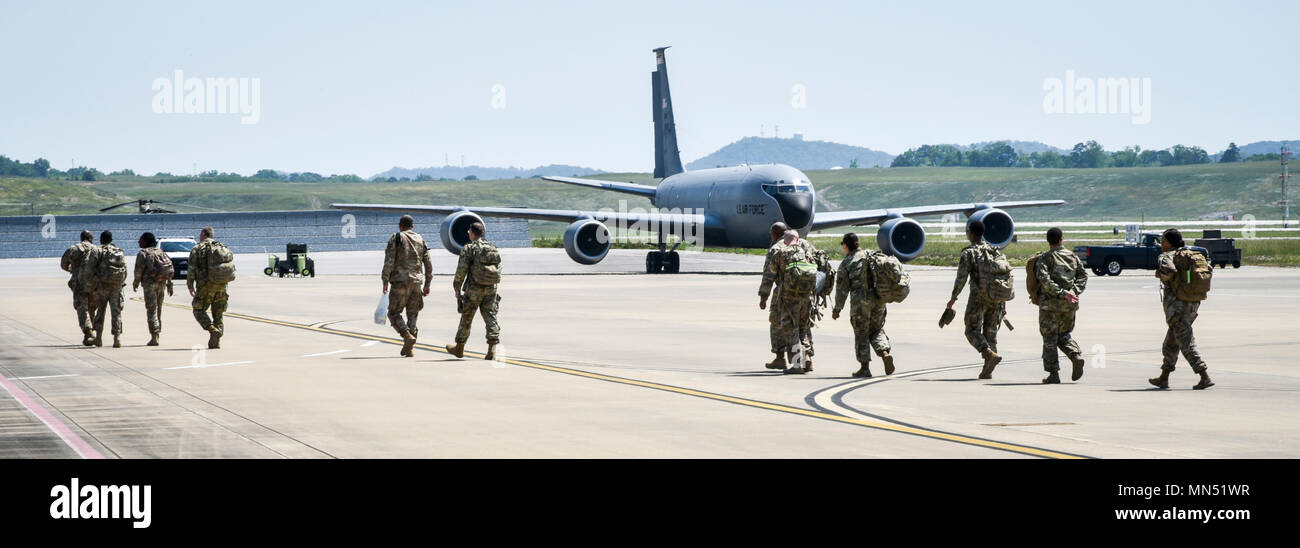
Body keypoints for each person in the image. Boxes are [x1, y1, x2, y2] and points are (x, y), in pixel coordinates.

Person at [1150, 228, 1214, 390]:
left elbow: (1169, 271)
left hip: (1177, 306)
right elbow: (1209, 269)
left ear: (1169, 242)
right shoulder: (1191, 254)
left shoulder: (1167, 256)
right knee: (1171, 342)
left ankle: (1204, 375)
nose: (1161, 244)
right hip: (1193, 302)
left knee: (1186, 341)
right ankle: (1164, 377)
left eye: (1163, 241)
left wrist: (1160, 274)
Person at [946, 220, 1004, 378]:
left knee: (971, 330)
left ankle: (988, 354)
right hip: (997, 298)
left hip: (979, 298)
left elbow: (961, 278)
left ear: (971, 234)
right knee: (990, 333)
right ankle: (988, 370)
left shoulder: (969, 253)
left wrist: (953, 298)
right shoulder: (994, 251)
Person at [832, 233, 894, 378]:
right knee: (876, 329)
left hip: (861, 303)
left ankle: (864, 368)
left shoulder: (848, 262)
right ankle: (884, 352)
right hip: (879, 301)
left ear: (846, 246)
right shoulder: (871, 255)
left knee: (861, 333)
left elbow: (842, 289)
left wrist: (837, 309)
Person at [1034, 227, 1087, 384]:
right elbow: (1083, 276)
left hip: (1050, 306)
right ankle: (1075, 356)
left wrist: (1063, 293)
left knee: (1049, 338)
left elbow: (1044, 280)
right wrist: (1073, 292)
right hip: (1069, 306)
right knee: (1063, 335)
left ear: (1048, 241)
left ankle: (1053, 374)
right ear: (1061, 239)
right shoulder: (1073, 257)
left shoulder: (1046, 258)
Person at [447, 221, 502, 360]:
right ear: (482, 233)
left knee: (466, 318)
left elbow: (461, 270)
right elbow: (499, 268)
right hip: (491, 288)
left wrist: (457, 288)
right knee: (490, 317)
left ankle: (459, 348)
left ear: (472, 233)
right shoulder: (492, 247)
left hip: (474, 289)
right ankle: (492, 350)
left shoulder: (469, 248)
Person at [382, 214, 433, 357]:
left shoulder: (397, 237)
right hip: (416, 282)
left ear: (400, 226)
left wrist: (385, 281)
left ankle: (407, 337)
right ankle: (409, 348)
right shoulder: (420, 239)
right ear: (412, 226)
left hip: (400, 282)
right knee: (413, 314)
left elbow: (389, 261)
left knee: (393, 313)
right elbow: (428, 264)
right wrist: (427, 284)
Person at [770, 230, 818, 374]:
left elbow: (773, 269)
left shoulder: (781, 253)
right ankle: (807, 358)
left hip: (789, 298)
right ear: (798, 239)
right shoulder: (807, 253)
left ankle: (797, 365)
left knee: (791, 330)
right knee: (803, 329)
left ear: (785, 240)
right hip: (807, 298)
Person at [187, 226, 233, 349]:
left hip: (205, 286)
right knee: (218, 314)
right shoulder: (222, 247)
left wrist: (190, 285)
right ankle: (216, 340)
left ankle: (212, 330)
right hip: (222, 285)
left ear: (203, 234)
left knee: (198, 310)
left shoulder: (197, 248)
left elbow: (191, 269)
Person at [84, 230, 127, 348]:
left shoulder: (97, 250)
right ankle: (117, 338)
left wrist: (88, 284)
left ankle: (98, 338)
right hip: (116, 286)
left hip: (101, 286)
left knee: (100, 312)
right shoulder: (119, 251)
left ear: (101, 239)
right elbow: (125, 269)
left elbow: (89, 268)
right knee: (116, 312)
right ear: (111, 239)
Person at [757, 222, 790, 370]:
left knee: (777, 323)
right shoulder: (800, 244)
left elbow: (768, 275)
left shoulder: (776, 249)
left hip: (783, 291)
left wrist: (764, 297)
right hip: (803, 291)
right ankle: (806, 359)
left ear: (774, 233)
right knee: (800, 325)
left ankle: (780, 358)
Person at [133, 232, 174, 346]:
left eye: (141, 239)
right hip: (162, 283)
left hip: (149, 284)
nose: (139, 242)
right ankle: (157, 333)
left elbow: (138, 271)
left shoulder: (143, 253)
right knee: (158, 309)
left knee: (152, 310)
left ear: (146, 241)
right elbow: (168, 268)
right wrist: (170, 285)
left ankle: (154, 336)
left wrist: (136, 282)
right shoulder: (161, 252)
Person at [60, 230, 98, 346]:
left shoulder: (73, 249)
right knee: (92, 307)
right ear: (90, 239)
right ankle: (92, 330)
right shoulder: (96, 249)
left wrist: (72, 270)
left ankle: (88, 333)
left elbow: (63, 264)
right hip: (93, 283)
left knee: (82, 308)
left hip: (78, 283)